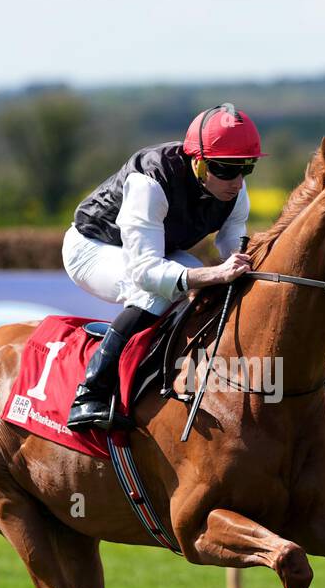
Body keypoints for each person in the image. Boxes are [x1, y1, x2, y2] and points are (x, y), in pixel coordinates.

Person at [63, 104, 263, 430]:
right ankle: (90, 393)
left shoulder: (233, 188)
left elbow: (235, 252)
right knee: (155, 292)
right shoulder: (150, 182)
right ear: (197, 162)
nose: (237, 183)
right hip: (91, 247)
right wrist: (213, 274)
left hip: (153, 253)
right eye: (226, 169)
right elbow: (144, 272)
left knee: (196, 281)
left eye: (246, 169)